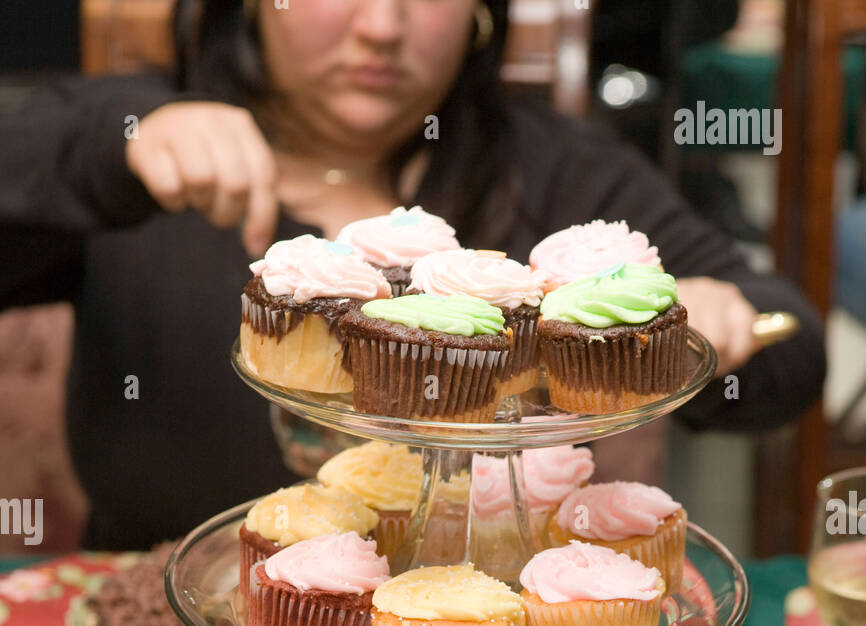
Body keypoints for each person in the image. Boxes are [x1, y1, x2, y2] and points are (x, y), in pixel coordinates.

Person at [0, 0, 824, 549]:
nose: (382, 26)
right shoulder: (134, 140)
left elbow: (794, 352)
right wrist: (117, 144)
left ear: (479, 17)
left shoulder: (556, 172)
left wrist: (708, 325)